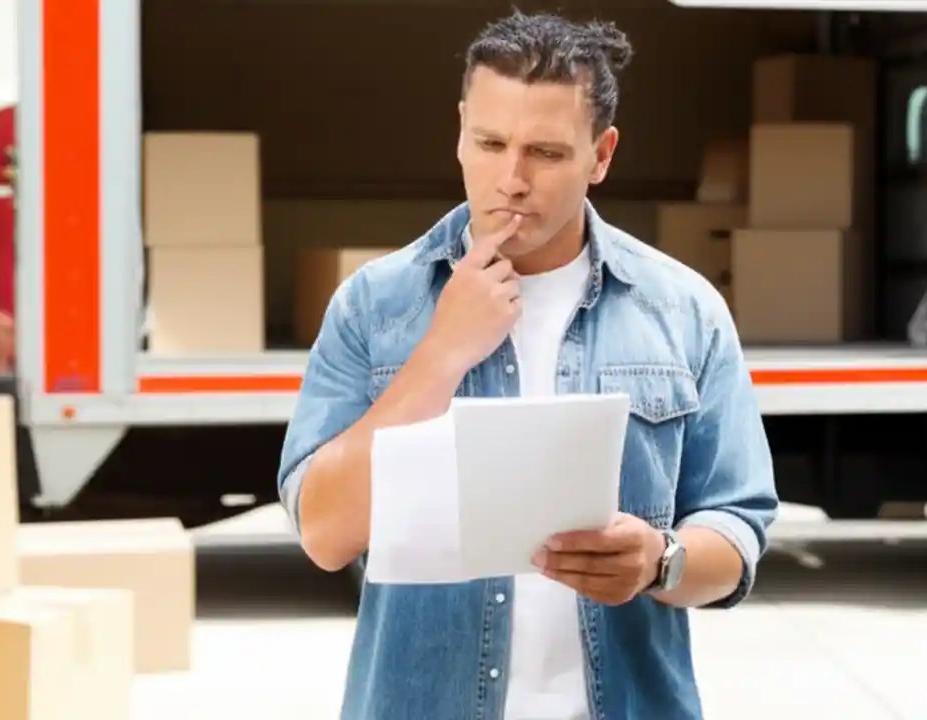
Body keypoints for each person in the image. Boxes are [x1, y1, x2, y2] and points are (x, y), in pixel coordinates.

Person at [277, 9, 778, 720]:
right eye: (489, 143)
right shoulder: (371, 307)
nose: (511, 179)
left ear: (601, 155)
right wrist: (442, 353)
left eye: (545, 152)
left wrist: (659, 561)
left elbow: (737, 527)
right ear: (459, 131)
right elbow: (324, 535)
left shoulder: (683, 310)